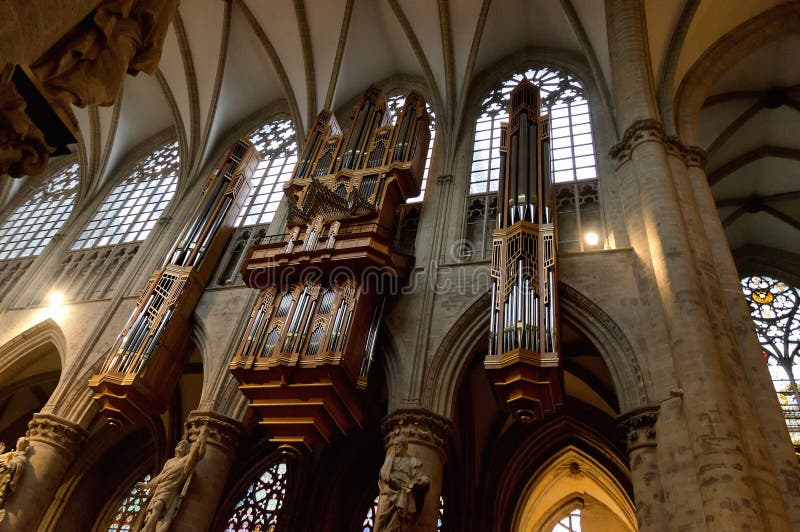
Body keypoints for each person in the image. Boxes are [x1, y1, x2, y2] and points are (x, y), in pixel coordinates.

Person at [136, 427, 208, 532]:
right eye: (179, 444)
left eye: (183, 445)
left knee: (158, 505)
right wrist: (148, 485)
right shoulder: (170, 461)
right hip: (162, 486)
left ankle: (147, 528)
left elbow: (198, 454)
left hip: (172, 487)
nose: (180, 445)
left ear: (187, 450)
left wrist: (203, 436)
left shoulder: (186, 459)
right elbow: (161, 475)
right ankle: (149, 527)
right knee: (155, 508)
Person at [374, 435, 430, 532]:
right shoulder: (390, 459)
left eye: (398, 445)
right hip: (388, 492)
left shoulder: (413, 461)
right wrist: (391, 479)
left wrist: (423, 480)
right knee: (379, 519)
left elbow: (421, 476)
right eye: (394, 445)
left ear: (405, 447)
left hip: (403, 494)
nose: (395, 447)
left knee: (396, 522)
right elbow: (383, 475)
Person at [0, 437, 30, 508]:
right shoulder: (12, 453)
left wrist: (8, 462)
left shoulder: (22, 457)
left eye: (21, 443)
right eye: (18, 441)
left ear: (25, 445)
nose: (19, 444)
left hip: (5, 477)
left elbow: (19, 465)